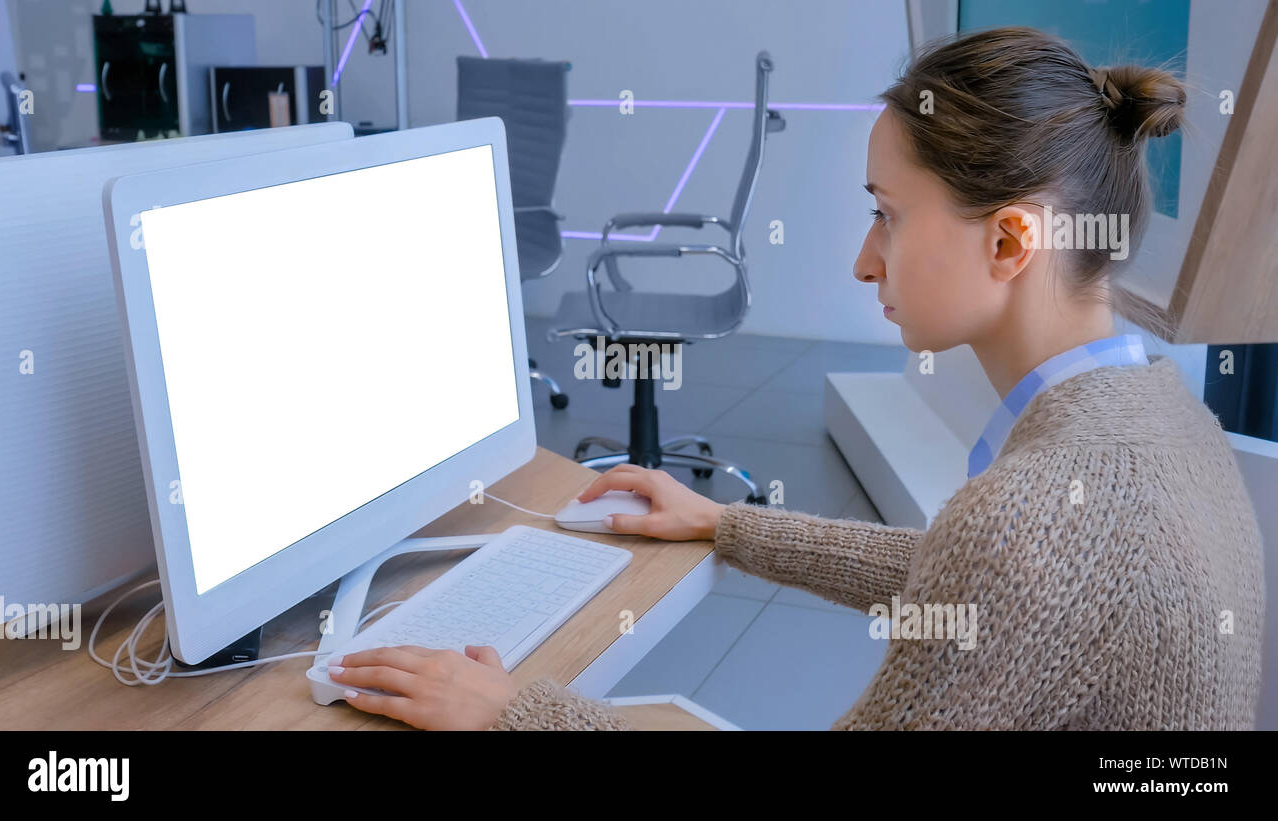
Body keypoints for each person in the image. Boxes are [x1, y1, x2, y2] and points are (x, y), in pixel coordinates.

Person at [326, 26, 1265, 730]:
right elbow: (974, 586)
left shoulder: (1034, 521)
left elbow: (998, 572)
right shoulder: (1167, 420)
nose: (865, 260)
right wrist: (725, 524)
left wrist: (514, 713)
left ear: (1012, 239)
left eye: (888, 217)